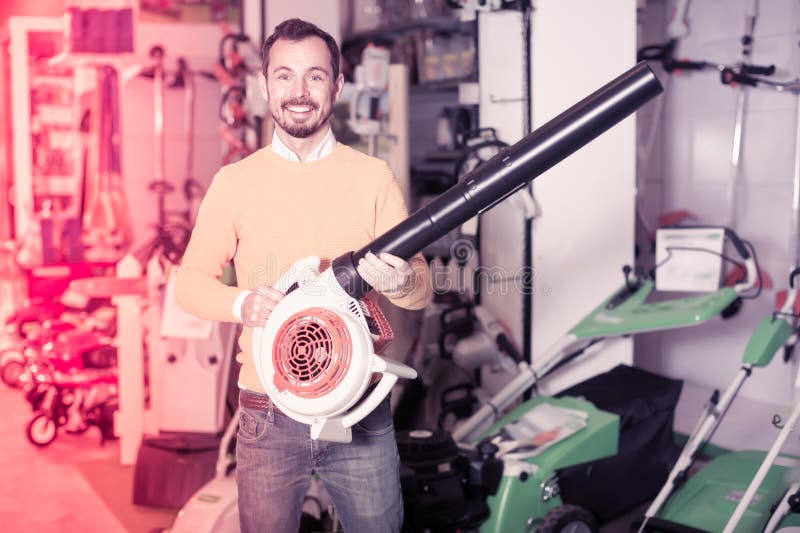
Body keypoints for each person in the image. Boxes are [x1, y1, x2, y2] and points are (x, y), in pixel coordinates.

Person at [175, 17, 432, 533]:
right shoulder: (235, 183)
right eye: (285, 76)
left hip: (359, 405)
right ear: (264, 85)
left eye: (315, 76)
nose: (299, 92)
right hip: (268, 414)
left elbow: (421, 289)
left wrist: (399, 280)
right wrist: (242, 303)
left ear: (337, 85)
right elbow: (189, 283)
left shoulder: (372, 178)